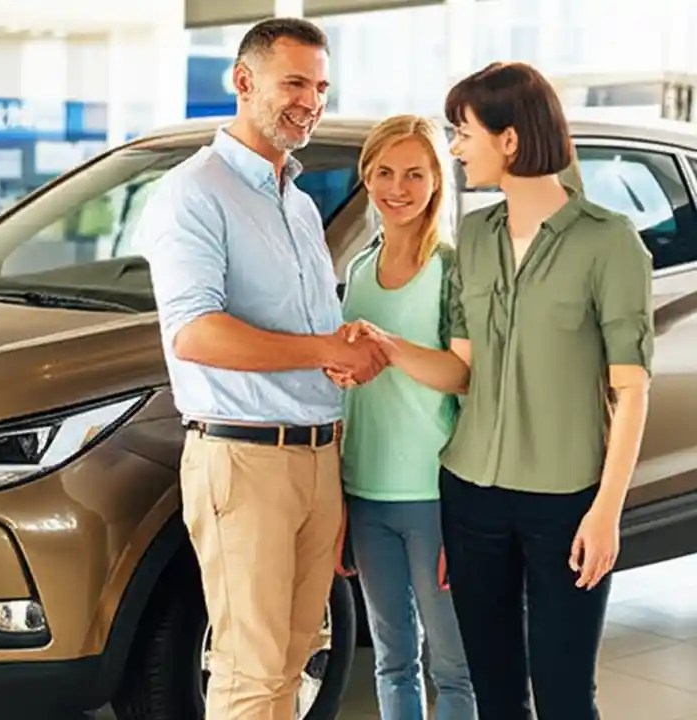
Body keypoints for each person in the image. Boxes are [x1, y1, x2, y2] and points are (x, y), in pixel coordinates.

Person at [351, 62, 653, 719]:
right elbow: (461, 368)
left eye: (462, 133)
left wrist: (606, 513)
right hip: (470, 496)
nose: (455, 148)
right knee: (494, 691)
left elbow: (630, 391)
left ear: (509, 140)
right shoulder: (479, 241)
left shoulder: (610, 242)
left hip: (565, 498)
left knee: (567, 693)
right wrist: (382, 350)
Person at [138, 17, 388, 720]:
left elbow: (296, 333)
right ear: (244, 83)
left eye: (321, 86)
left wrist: (338, 343)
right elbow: (195, 333)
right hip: (244, 461)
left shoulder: (300, 205)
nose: (311, 100)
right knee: (249, 669)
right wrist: (322, 351)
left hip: (314, 456)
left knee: (293, 657)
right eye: (295, 83)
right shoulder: (194, 192)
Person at [327, 115, 476, 719]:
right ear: (367, 177)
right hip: (366, 493)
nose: (398, 187)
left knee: (455, 668)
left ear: (437, 180)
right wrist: (337, 498)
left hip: (434, 496)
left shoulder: (452, 268)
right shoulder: (359, 268)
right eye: (385, 172)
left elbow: (460, 376)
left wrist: (386, 344)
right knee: (391, 658)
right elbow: (348, 392)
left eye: (415, 173)